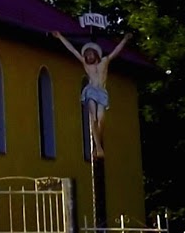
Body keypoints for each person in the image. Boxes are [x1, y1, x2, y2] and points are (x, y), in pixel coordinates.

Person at [51, 28, 132, 159]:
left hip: (102, 93)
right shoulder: (86, 64)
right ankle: (98, 147)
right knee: (93, 118)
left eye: (90, 54)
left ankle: (97, 145)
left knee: (101, 119)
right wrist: (60, 37)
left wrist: (125, 39)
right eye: (87, 55)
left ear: (95, 54)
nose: (88, 57)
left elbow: (116, 51)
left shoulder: (104, 61)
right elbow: (72, 50)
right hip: (91, 91)